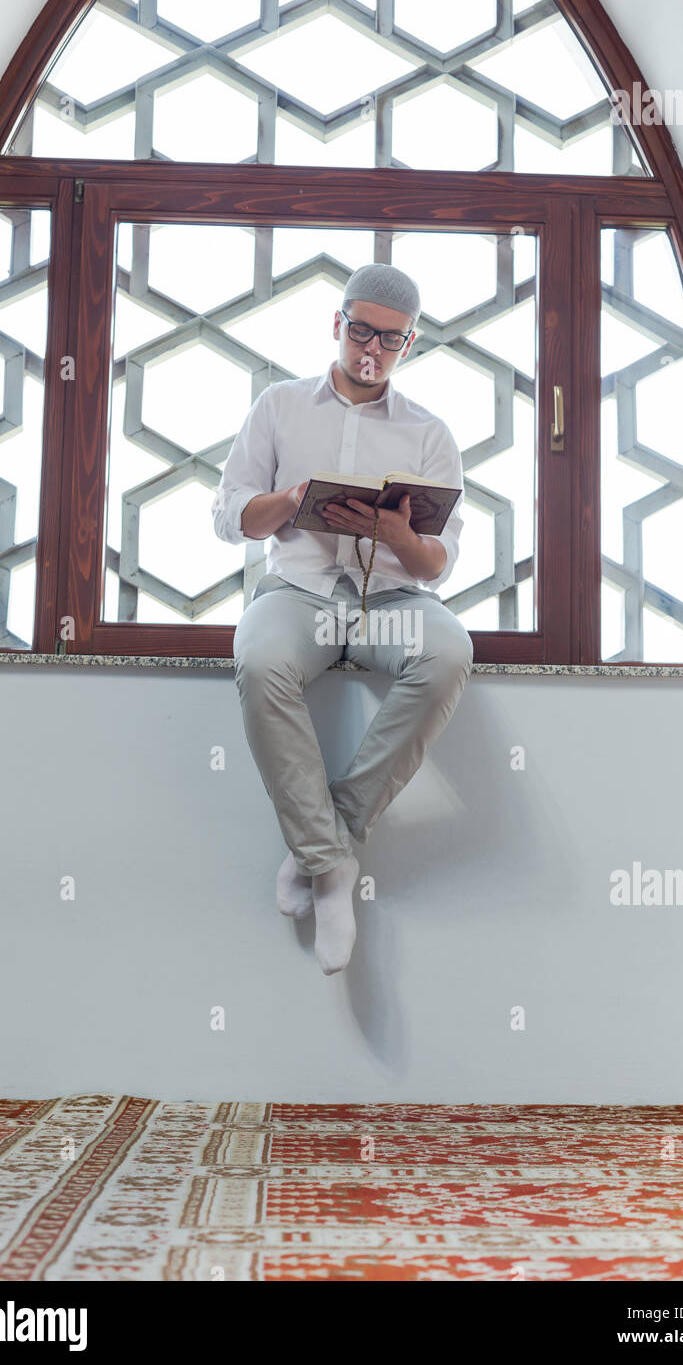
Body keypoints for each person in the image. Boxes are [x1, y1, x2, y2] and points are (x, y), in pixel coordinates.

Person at [211, 263, 473, 976]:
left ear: (408, 346)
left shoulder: (430, 433)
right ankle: (331, 867)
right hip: (299, 593)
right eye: (361, 330)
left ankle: (328, 844)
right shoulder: (279, 406)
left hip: (391, 599)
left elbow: (436, 565)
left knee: (448, 652)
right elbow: (228, 517)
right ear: (338, 325)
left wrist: (399, 538)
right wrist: (290, 501)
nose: (373, 347)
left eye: (391, 339)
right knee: (262, 662)